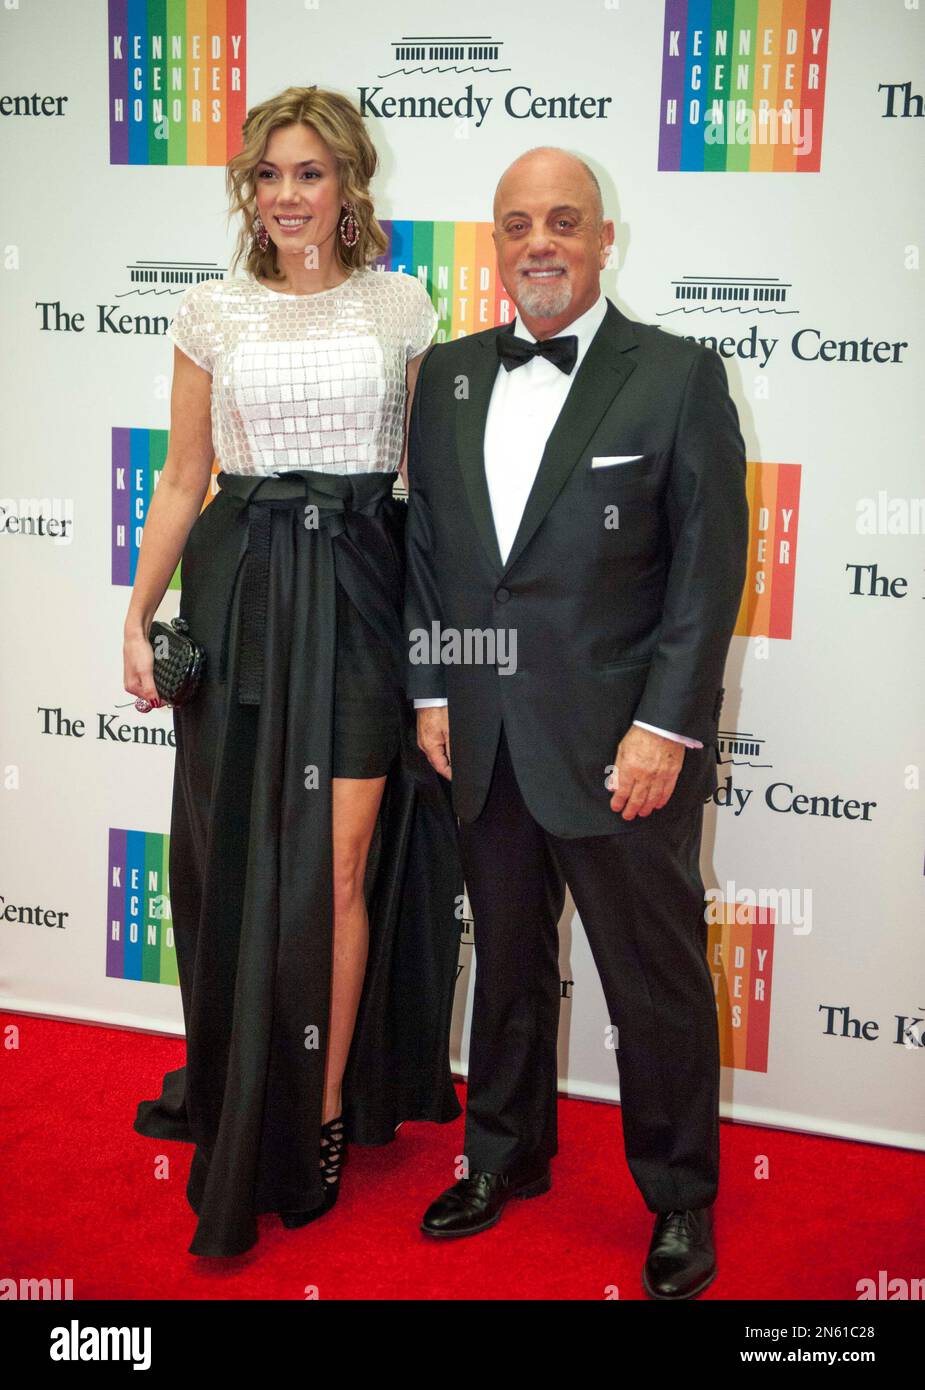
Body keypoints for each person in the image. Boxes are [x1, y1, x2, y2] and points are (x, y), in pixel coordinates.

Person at [124, 86, 463, 1259]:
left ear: (350, 186)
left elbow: (427, 497)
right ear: (247, 192)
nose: (285, 196)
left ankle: (317, 1110)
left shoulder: (404, 307)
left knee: (338, 865)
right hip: (244, 596)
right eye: (267, 175)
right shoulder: (208, 311)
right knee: (240, 860)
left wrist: (442, 662)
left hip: (362, 600)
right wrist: (138, 614)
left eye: (309, 174)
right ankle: (233, 1081)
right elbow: (183, 478)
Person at [405, 146, 749, 1299]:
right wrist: (437, 688)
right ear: (493, 246)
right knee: (504, 962)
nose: (538, 242)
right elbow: (433, 558)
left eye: (562, 221)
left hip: (622, 751)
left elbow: (707, 574)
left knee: (650, 979)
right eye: (515, 225)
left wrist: (666, 727)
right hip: (485, 734)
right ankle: (504, 1156)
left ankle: (679, 1196)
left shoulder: (677, 374)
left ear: (605, 239)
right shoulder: (445, 375)